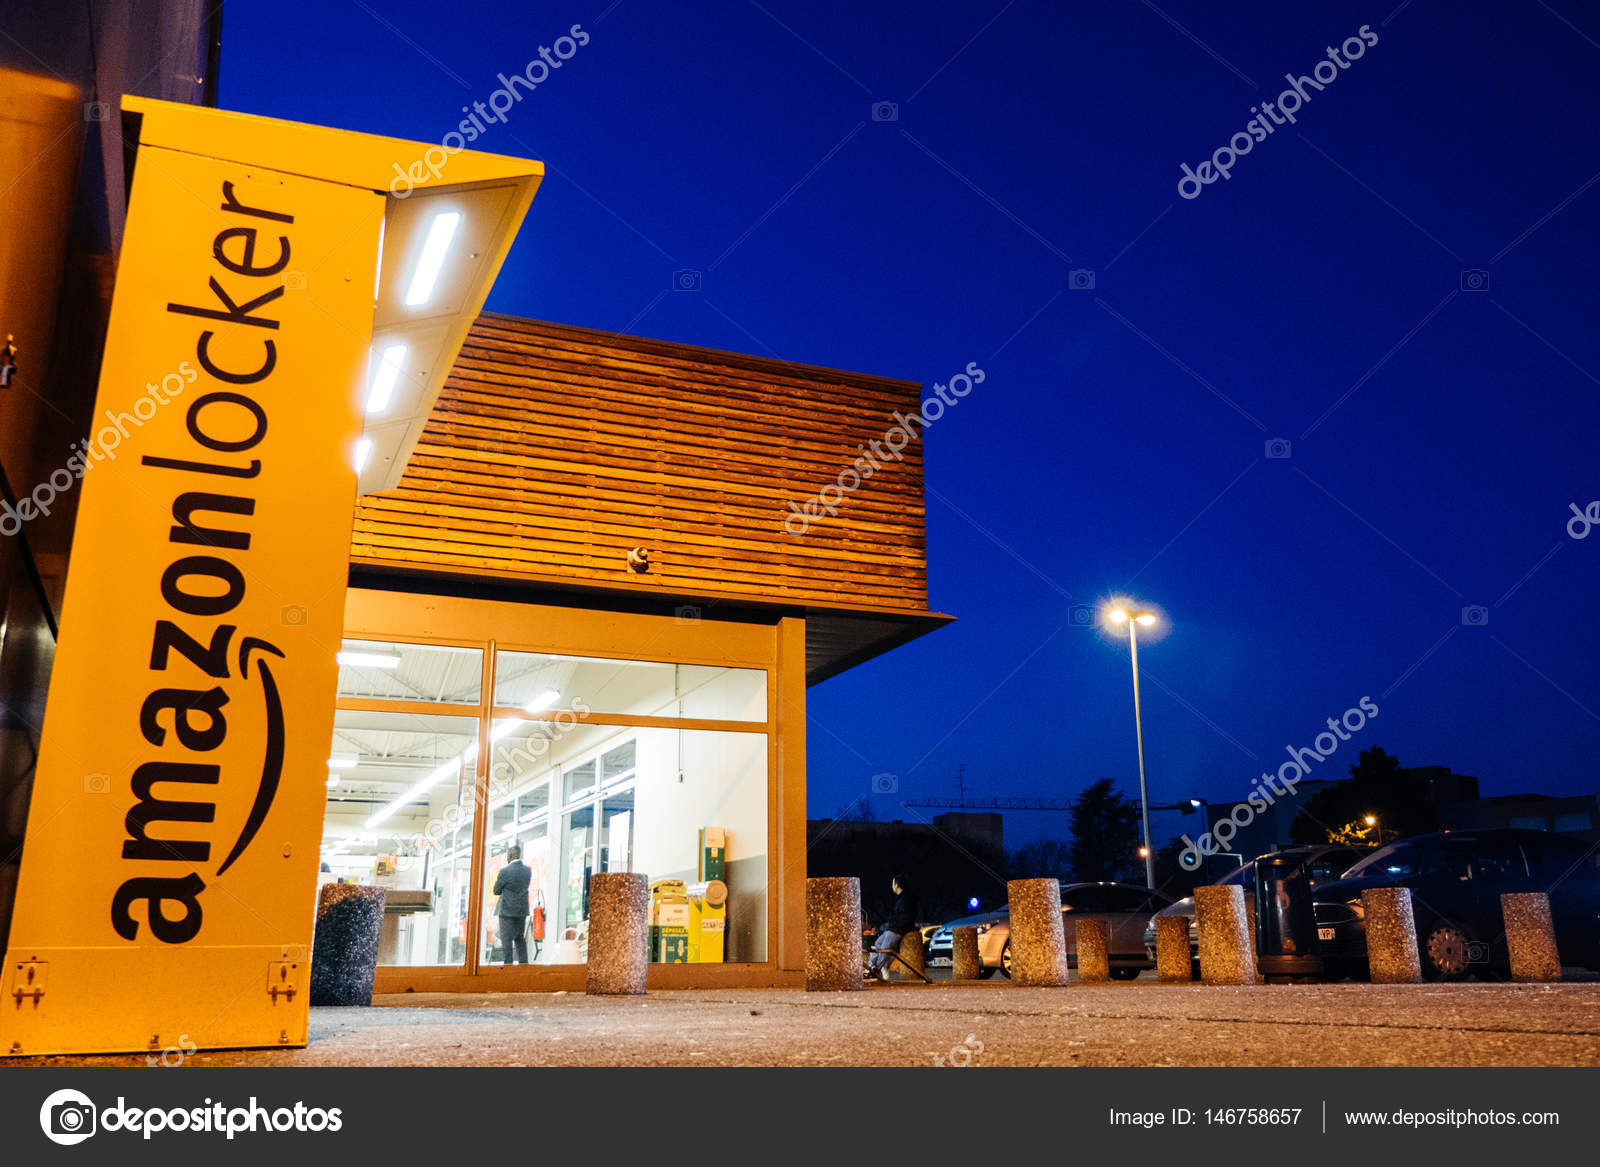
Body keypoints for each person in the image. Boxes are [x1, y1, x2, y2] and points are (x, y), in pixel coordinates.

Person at [867, 873, 918, 982]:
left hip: (899, 929)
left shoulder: (905, 899)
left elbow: (905, 917)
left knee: (885, 948)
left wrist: (892, 925)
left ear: (897, 885)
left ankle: (876, 969)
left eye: (892, 884)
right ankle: (870, 967)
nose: (892, 886)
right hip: (894, 928)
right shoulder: (901, 899)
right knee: (877, 944)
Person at [492, 846, 533, 964]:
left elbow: (496, 890)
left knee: (506, 940)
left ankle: (508, 966)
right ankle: (524, 965)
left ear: (509, 856)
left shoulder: (505, 871)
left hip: (507, 912)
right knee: (520, 938)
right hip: (521, 911)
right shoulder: (527, 870)